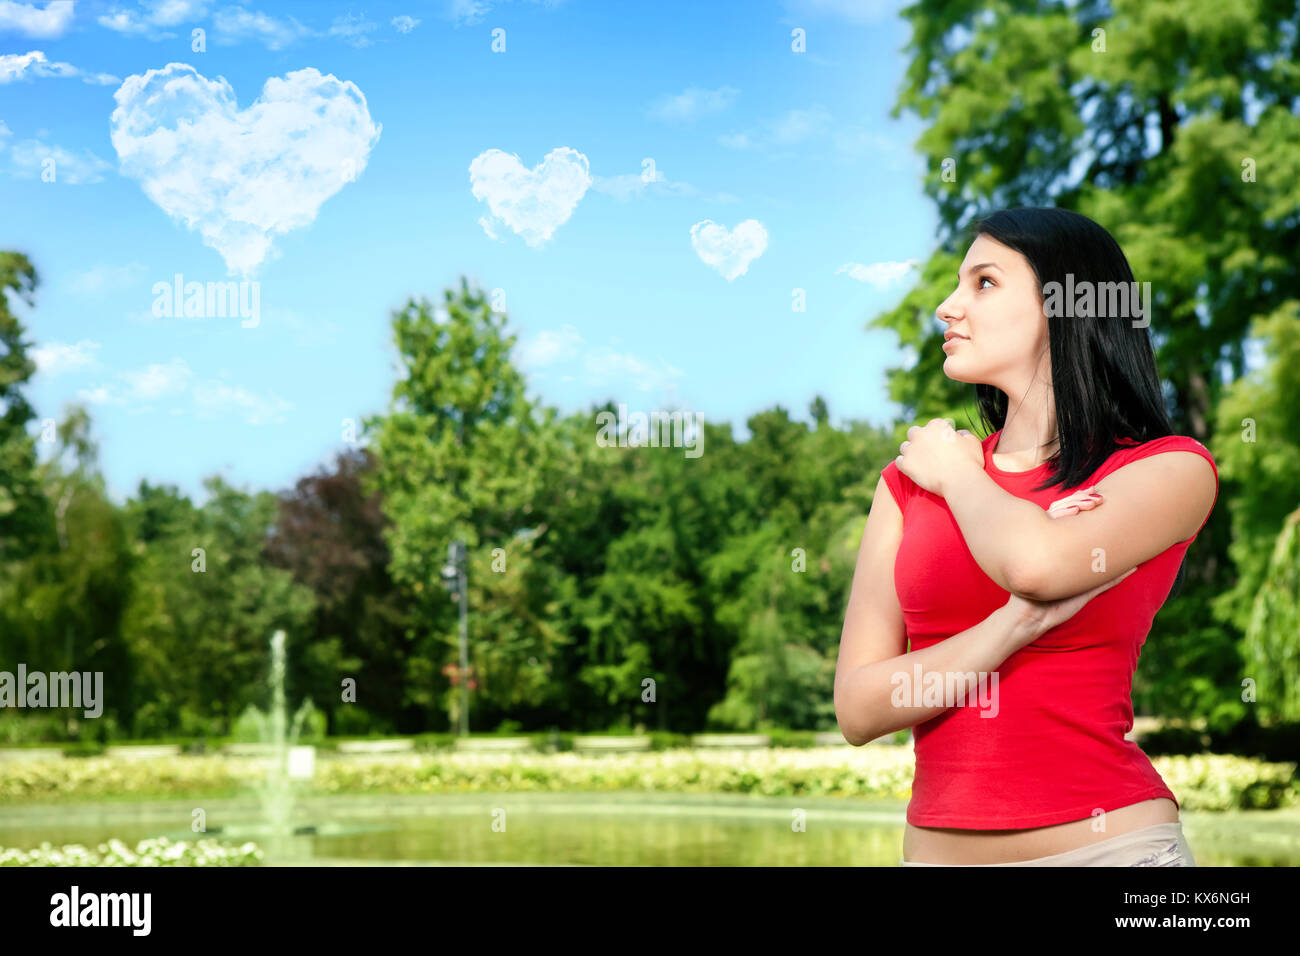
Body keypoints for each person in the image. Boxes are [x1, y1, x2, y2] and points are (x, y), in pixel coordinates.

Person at [834, 207, 1217, 866]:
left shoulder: (1169, 469)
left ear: (1063, 306)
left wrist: (960, 475)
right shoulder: (905, 487)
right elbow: (861, 708)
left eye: (983, 282)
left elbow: (1036, 563)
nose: (947, 308)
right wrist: (1015, 625)